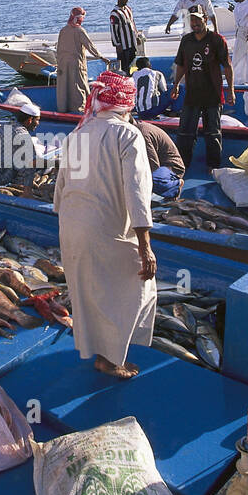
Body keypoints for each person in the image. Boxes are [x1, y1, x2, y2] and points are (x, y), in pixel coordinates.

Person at [53, 72, 157, 380]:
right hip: (105, 229)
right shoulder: (127, 135)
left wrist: (68, 219)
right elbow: (136, 192)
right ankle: (111, 361)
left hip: (70, 225)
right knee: (137, 288)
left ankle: (103, 355)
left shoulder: (76, 135)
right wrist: (145, 246)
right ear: (125, 104)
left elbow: (60, 189)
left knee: (93, 293)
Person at [170, 8, 234, 170]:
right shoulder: (186, 41)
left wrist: (231, 90)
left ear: (205, 19)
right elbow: (181, 65)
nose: (195, 23)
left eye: (198, 19)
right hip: (192, 95)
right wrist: (176, 84)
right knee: (185, 133)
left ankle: (213, 166)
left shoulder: (217, 40)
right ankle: (182, 165)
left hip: (212, 95)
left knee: (212, 133)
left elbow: (227, 66)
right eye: (192, 20)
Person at [56, 5, 108, 113]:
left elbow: (59, 49)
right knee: (79, 86)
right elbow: (90, 46)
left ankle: (64, 109)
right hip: (76, 64)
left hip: (63, 64)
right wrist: (101, 57)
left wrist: (58, 64)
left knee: (65, 87)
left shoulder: (63, 30)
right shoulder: (79, 31)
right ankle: (80, 110)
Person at [135, 117, 186, 200]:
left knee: (150, 179)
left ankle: (175, 184)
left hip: (171, 166)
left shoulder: (142, 135)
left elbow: (153, 166)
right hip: (159, 164)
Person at [108, 0, 141, 74]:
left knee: (133, 66)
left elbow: (133, 23)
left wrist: (136, 36)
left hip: (132, 44)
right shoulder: (115, 13)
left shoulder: (128, 9)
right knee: (125, 68)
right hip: (123, 46)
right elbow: (113, 30)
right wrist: (117, 45)